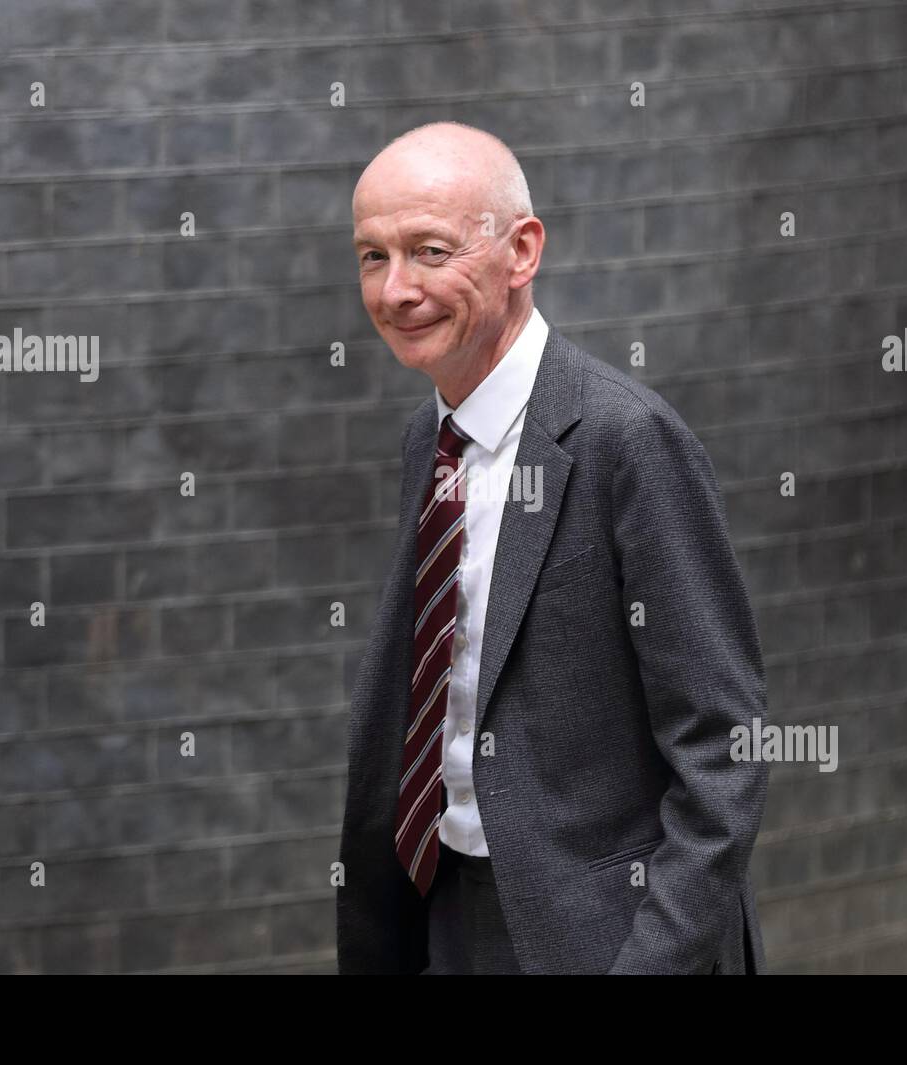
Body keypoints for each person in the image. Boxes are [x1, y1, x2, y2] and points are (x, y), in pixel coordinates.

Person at [336, 121, 769, 974]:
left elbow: (727, 748)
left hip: (605, 937)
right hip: (444, 919)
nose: (396, 290)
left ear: (522, 250)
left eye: (429, 250)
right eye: (371, 256)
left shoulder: (627, 438)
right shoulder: (428, 438)